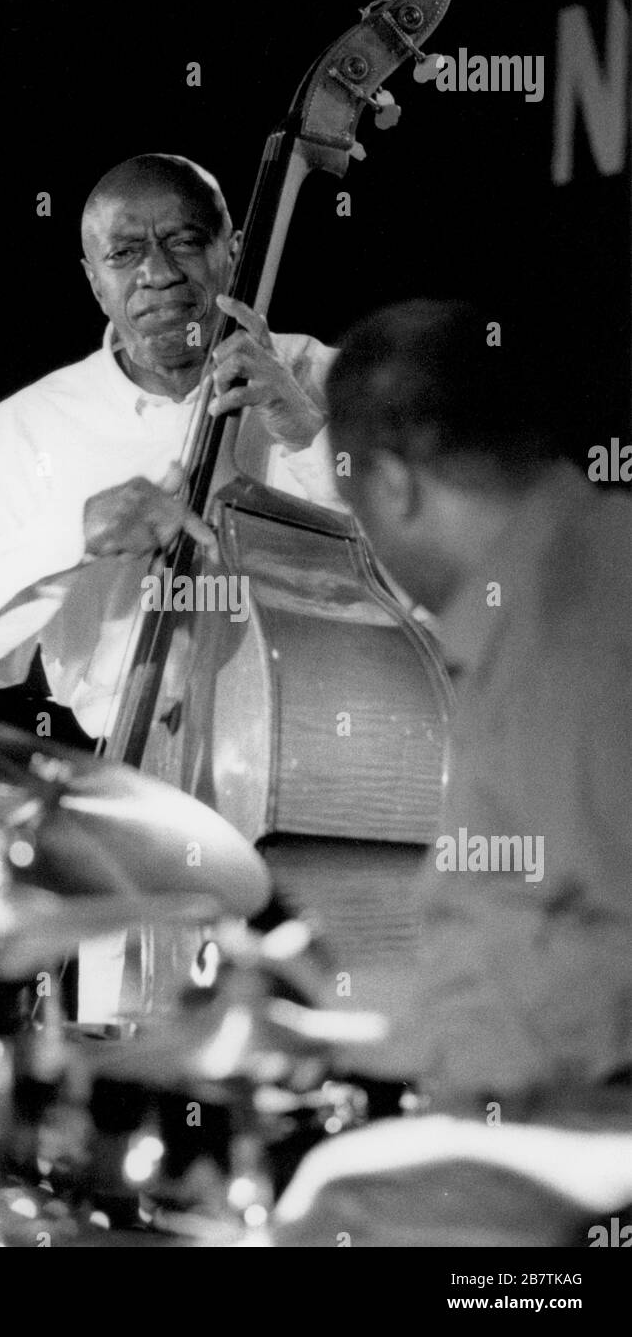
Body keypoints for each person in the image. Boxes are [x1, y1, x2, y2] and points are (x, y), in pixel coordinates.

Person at [271, 298, 632, 1246]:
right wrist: (327, 1012)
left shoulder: (573, 637)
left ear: (394, 485)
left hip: (592, 1131)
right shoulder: (574, 572)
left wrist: (387, 1036)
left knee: (328, 1214)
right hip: (558, 1102)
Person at [0, 153, 337, 738]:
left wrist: (309, 436)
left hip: (329, 745)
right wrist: (75, 533)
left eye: (184, 242)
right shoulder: (27, 431)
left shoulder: (331, 382)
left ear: (232, 252)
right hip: (133, 775)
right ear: (94, 283)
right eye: (124, 254)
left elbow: (445, 584)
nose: (158, 274)